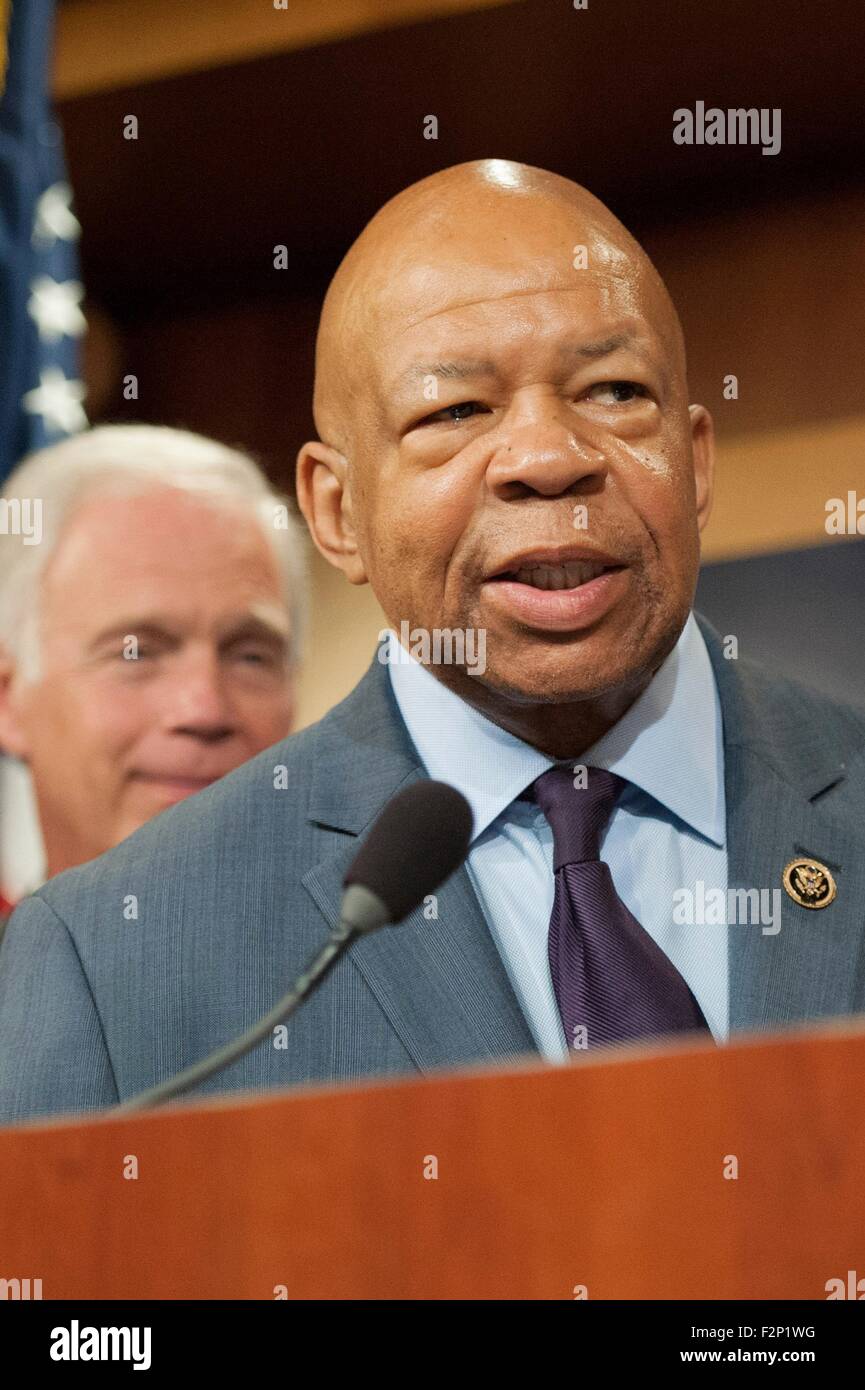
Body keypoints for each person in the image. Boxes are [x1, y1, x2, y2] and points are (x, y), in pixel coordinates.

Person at [1, 161, 863, 1124]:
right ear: (337, 511)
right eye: (454, 412)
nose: (546, 459)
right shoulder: (114, 959)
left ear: (694, 460)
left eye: (613, 390)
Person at [0, 425, 306, 924]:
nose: (205, 710)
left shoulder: (387, 992)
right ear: (9, 698)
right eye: (135, 652)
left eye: (250, 656)